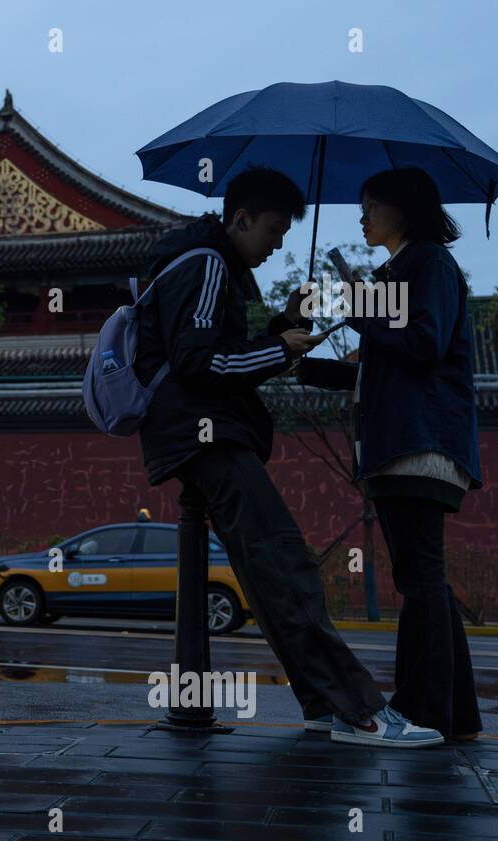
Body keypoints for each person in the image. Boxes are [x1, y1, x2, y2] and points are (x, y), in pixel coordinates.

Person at [132, 165, 443, 748]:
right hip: (206, 436)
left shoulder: (206, 261)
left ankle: (324, 705)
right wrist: (278, 349)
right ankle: (361, 712)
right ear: (241, 218)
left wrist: (286, 326)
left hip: (199, 434)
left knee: (269, 574)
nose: (277, 246)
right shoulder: (205, 263)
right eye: (273, 231)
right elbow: (200, 363)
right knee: (283, 567)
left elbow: (219, 354)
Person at [297, 166, 483, 743]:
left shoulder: (428, 263)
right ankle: (455, 715)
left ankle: (420, 711)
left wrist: (362, 308)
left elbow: (425, 343)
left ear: (403, 208)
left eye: (371, 203)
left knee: (420, 578)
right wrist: (303, 360)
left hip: (418, 443)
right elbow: (380, 366)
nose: (362, 215)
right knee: (426, 579)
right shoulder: (397, 273)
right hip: (399, 442)